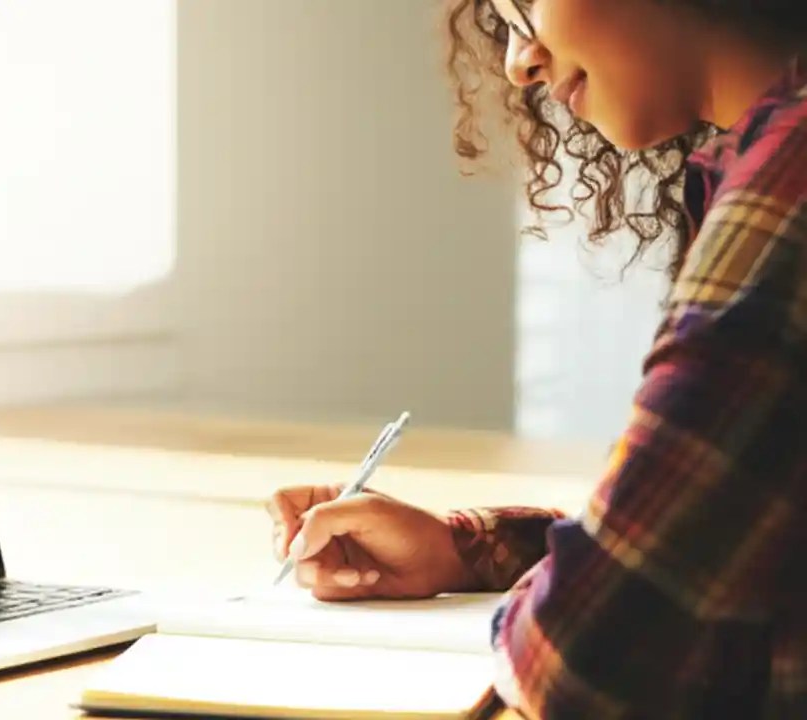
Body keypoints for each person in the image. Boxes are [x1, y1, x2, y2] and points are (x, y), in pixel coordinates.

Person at [266, 1, 806, 717]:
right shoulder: (762, 155)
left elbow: (585, 663)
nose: (519, 62)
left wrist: (570, 591)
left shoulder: (790, 184)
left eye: (523, 6)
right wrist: (468, 553)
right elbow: (746, 553)